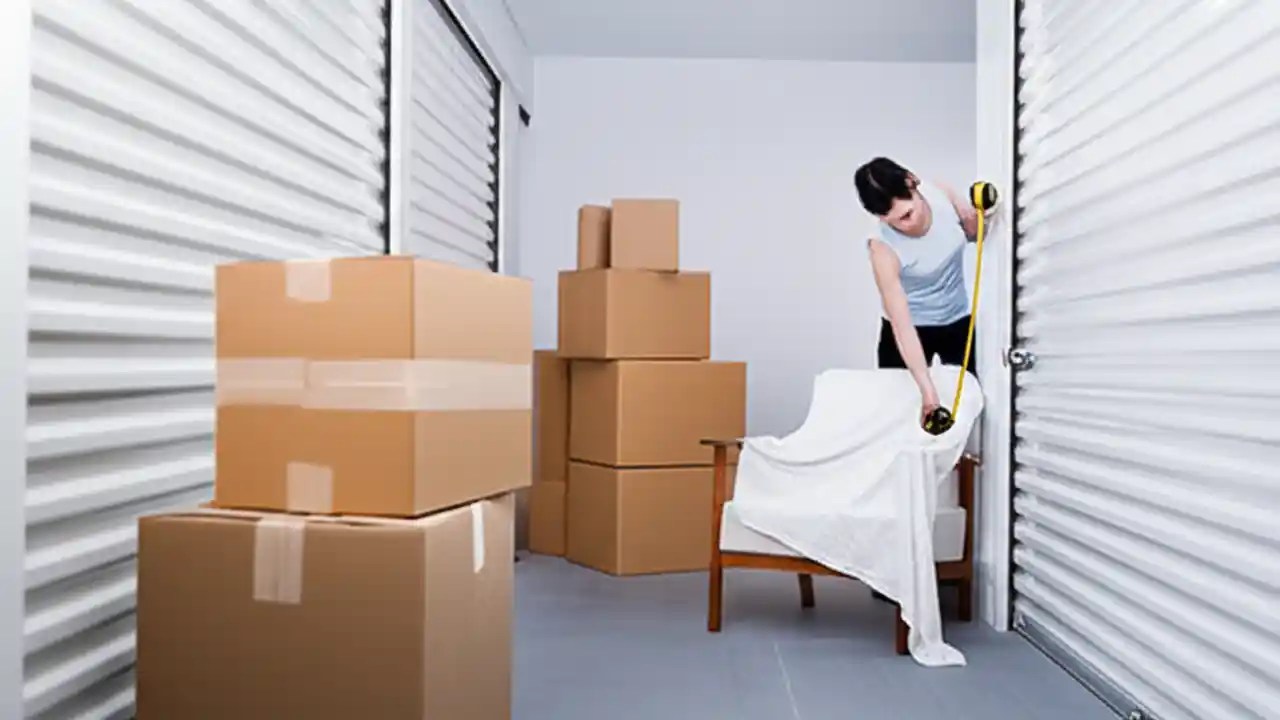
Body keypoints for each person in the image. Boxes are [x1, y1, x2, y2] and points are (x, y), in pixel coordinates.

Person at [855, 157, 979, 425]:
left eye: (907, 215)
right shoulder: (882, 248)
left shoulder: (943, 195)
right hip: (909, 331)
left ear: (912, 182)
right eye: (891, 221)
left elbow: (975, 234)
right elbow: (902, 324)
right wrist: (928, 393)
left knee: (972, 404)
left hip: (956, 320)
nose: (903, 226)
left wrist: (972, 217)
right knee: (901, 416)